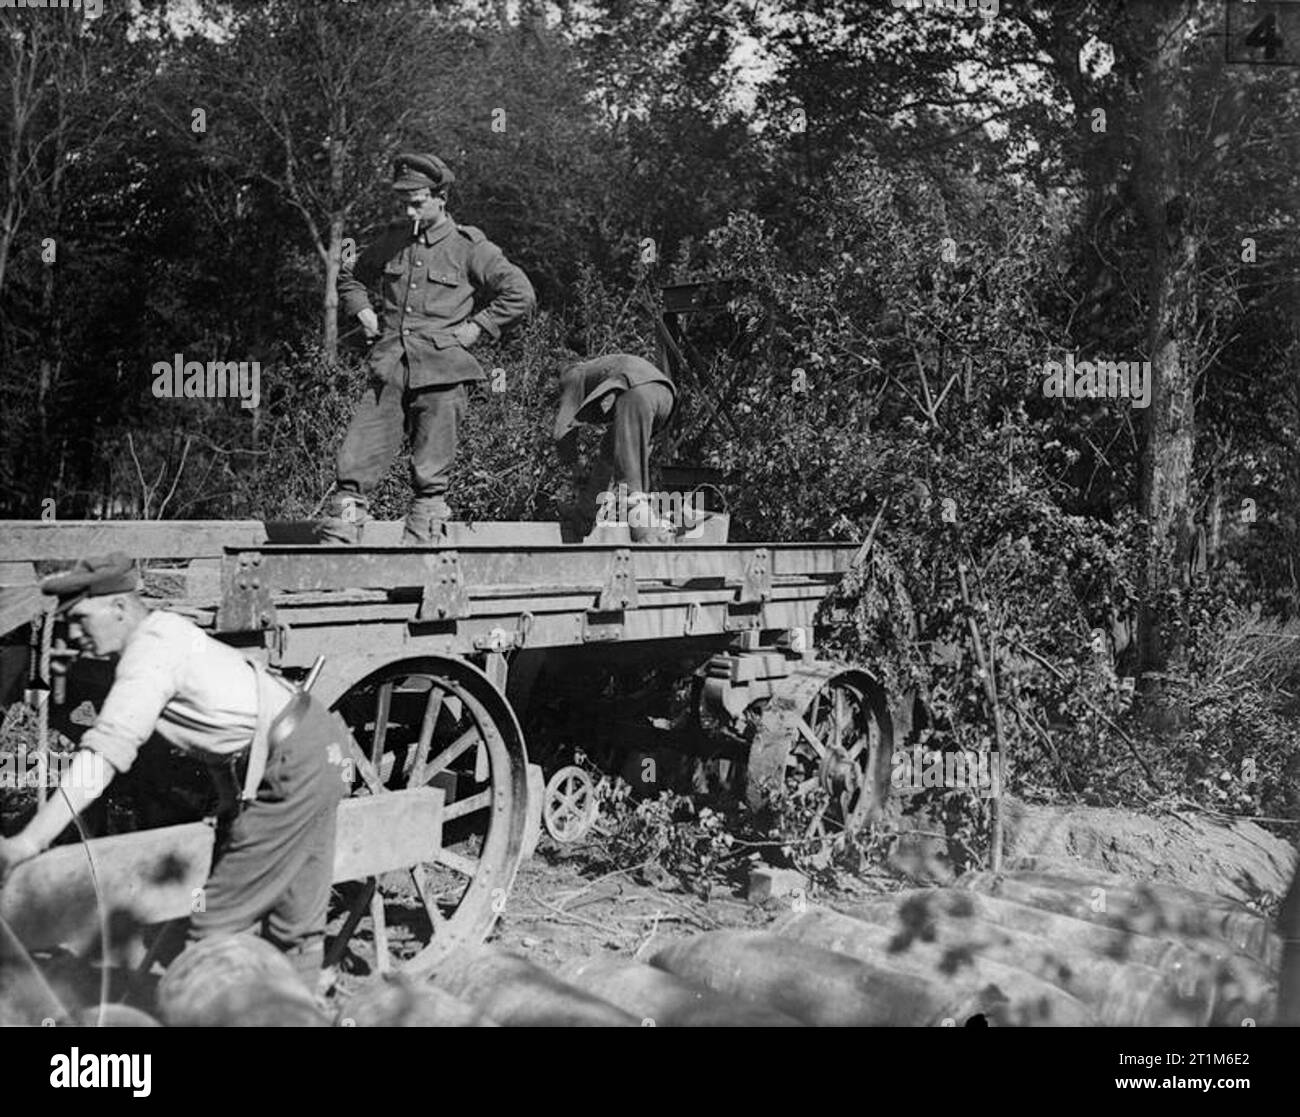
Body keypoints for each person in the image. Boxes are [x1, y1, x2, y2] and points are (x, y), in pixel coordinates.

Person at [0, 553, 350, 991]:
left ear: (120, 608)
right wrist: (228, 798)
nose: (74, 634)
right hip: (318, 742)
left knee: (214, 925)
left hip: (294, 765)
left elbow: (104, 754)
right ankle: (296, 1010)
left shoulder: (149, 655)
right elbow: (227, 722)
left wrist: (30, 840)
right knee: (298, 920)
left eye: (82, 619)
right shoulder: (166, 630)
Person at [318, 152, 536, 545]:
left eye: (417, 202)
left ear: (441, 198)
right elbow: (349, 277)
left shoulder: (470, 247)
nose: (409, 209)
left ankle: (420, 557)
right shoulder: (392, 240)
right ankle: (336, 546)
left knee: (431, 477)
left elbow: (520, 294)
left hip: (443, 373)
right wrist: (363, 312)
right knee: (354, 464)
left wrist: (476, 328)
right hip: (389, 370)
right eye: (404, 201)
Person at [554, 352, 677, 543]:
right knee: (610, 454)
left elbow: (562, 433)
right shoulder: (599, 367)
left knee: (628, 482)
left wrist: (572, 464)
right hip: (666, 396)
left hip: (637, 392)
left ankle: (650, 539)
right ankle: (584, 515)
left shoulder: (572, 375)